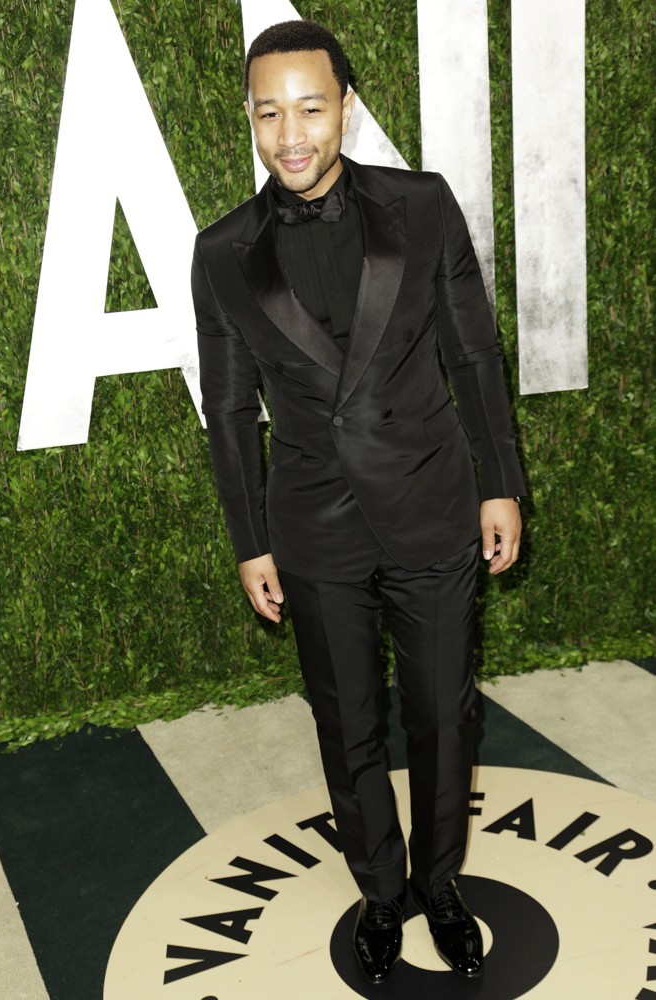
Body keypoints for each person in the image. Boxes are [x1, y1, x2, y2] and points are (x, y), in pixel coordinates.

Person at [191, 19, 525, 987]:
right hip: (313, 524)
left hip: (431, 501)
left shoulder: (421, 205)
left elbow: (471, 350)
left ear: (343, 104)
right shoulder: (223, 251)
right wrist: (250, 540)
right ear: (250, 118)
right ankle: (380, 894)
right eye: (268, 113)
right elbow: (227, 410)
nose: (289, 135)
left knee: (442, 718)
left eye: (308, 108)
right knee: (347, 727)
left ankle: (440, 885)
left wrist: (499, 481)